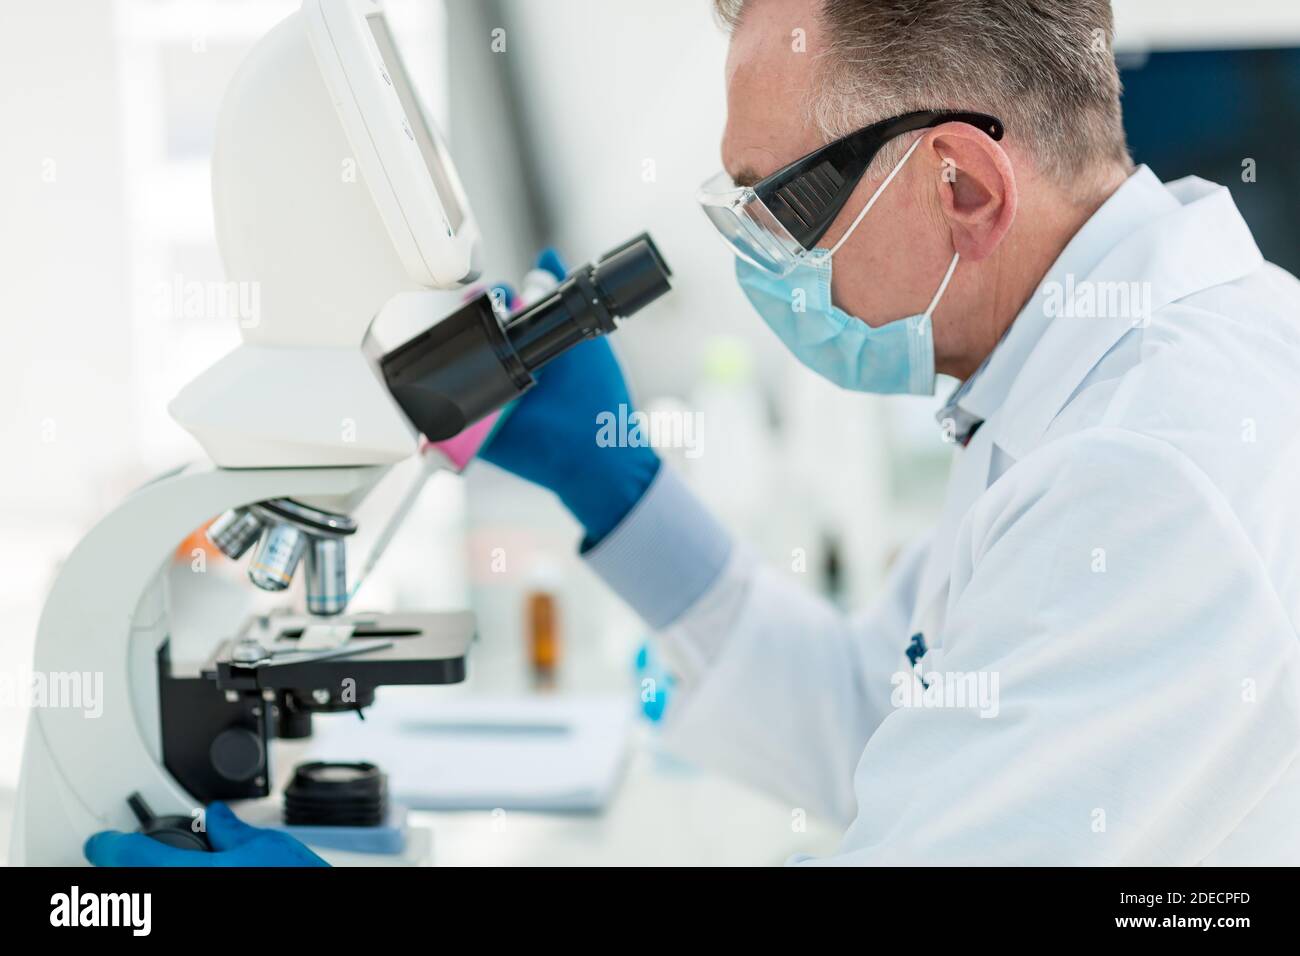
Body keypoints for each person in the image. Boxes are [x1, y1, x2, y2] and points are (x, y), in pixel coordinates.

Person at [90, 0, 1300, 866]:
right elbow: (868, 725)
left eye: (775, 204)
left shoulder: (1152, 472)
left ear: (965, 188)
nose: (759, 254)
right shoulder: (1063, 391)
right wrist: (617, 488)